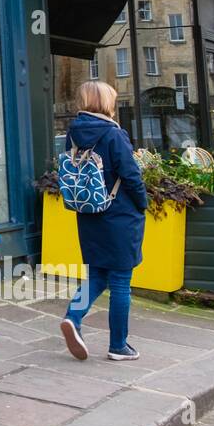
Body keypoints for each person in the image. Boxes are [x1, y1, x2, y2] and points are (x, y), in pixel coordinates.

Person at [59, 81, 147, 362]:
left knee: (97, 273)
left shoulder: (72, 135)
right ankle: (118, 345)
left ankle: (73, 317)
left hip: (88, 213)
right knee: (121, 280)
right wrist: (143, 203)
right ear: (106, 102)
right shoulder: (114, 134)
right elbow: (131, 175)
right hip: (119, 214)